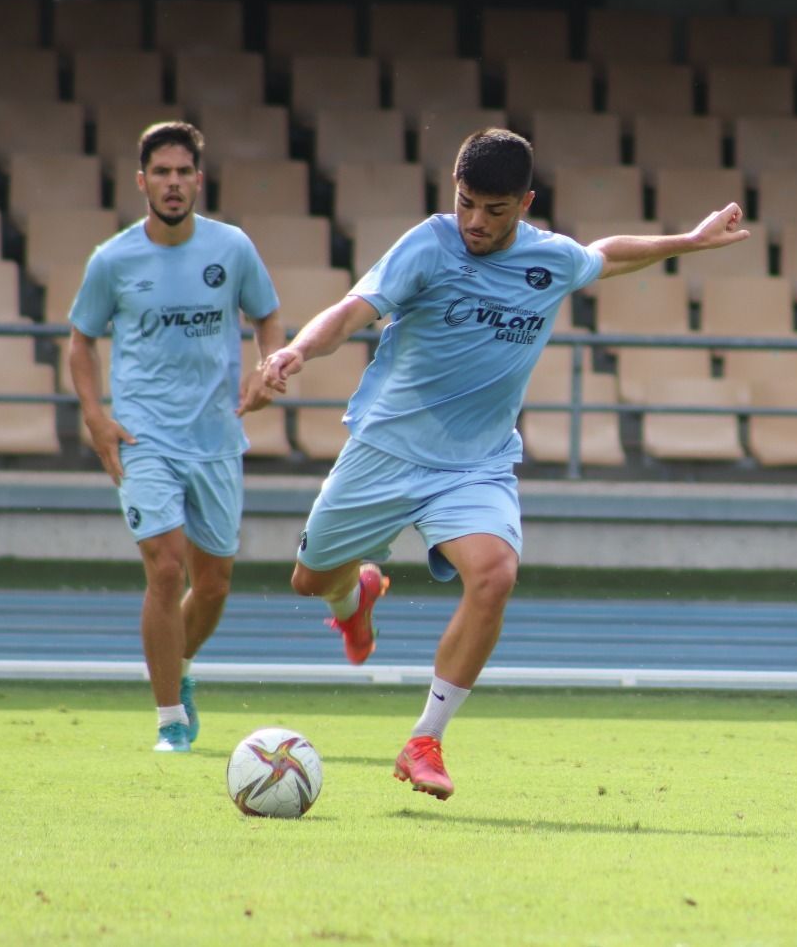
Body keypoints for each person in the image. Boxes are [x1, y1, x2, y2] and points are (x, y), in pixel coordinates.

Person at [259, 128, 748, 800]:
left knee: (495, 575)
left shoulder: (549, 260)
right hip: (385, 450)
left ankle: (425, 739)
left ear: (525, 202)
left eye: (493, 209)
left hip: (474, 465)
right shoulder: (428, 246)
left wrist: (689, 242)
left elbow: (603, 255)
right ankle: (356, 597)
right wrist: (295, 351)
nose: (474, 223)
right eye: (465, 204)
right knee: (309, 581)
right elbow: (351, 312)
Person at [67, 121, 282, 754]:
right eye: (161, 172)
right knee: (165, 569)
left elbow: (267, 315)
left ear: (198, 179)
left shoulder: (232, 248)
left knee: (211, 584)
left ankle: (177, 669)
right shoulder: (113, 260)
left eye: (183, 172)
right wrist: (96, 417)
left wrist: (268, 366)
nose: (173, 183)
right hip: (144, 438)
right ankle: (169, 721)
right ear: (142, 182)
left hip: (216, 437)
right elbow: (81, 340)